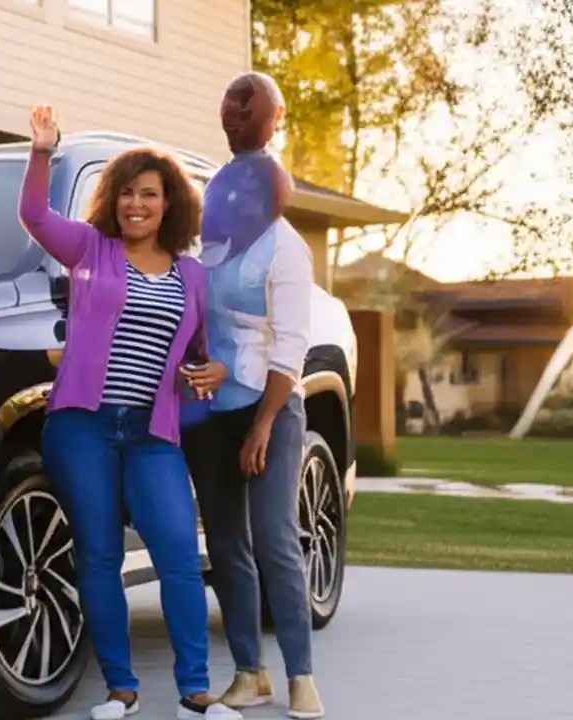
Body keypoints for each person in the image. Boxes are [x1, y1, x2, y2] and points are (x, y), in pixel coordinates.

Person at [19, 104, 239, 720]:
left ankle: (195, 692)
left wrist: (215, 370)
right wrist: (42, 151)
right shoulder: (90, 249)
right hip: (83, 428)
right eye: (126, 193)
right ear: (112, 200)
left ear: (170, 204)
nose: (135, 204)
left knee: (177, 555)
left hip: (152, 434)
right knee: (99, 557)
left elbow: (203, 352)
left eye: (150, 194)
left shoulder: (192, 276)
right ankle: (121, 690)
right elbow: (34, 215)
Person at [180, 72, 325, 720]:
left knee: (273, 540)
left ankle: (300, 677)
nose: (238, 111)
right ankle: (249, 673)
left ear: (274, 119)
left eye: (252, 105)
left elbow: (289, 346)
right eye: (231, 103)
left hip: (270, 409)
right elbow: (192, 317)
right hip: (212, 412)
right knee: (228, 548)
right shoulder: (209, 236)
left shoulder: (287, 249)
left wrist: (266, 424)